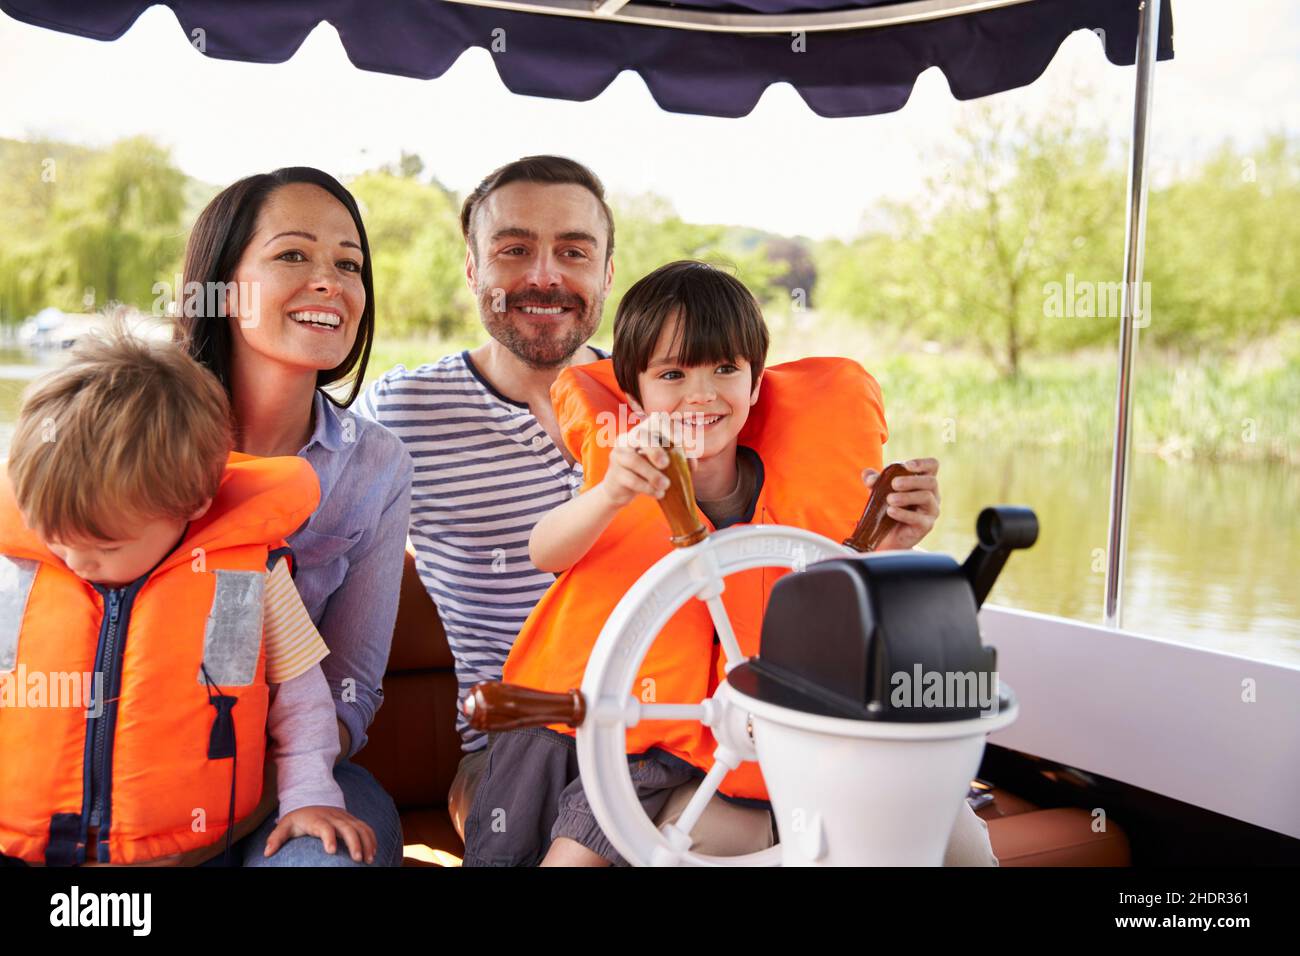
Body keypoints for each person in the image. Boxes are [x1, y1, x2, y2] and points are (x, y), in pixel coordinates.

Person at [356, 156, 946, 857]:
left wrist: (882, 546)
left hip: (697, 733)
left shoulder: (682, 389)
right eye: (514, 249)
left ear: (607, 273)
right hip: (531, 741)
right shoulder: (401, 411)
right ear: (471, 268)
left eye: (573, 251)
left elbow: (790, 576)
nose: (545, 274)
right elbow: (310, 529)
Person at [466, 259, 972, 866]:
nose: (701, 396)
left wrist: (893, 544)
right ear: (635, 392)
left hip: (757, 741)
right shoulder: (622, 482)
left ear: (756, 385)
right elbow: (543, 550)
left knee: (959, 840)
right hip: (628, 735)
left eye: (726, 369)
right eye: (673, 373)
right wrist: (609, 495)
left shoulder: (807, 500)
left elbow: (842, 623)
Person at [0, 329, 376, 866]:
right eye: (54, 536)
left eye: (104, 545)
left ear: (193, 502)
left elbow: (303, 704)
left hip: (195, 852)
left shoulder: (246, 582)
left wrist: (309, 795)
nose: (75, 561)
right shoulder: (19, 573)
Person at [177, 167, 413, 866]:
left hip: (295, 779)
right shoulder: (130, 433)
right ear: (222, 283)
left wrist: (258, 796)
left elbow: (350, 688)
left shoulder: (377, 466)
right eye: (293, 255)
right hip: (128, 771)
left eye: (349, 265)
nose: (330, 282)